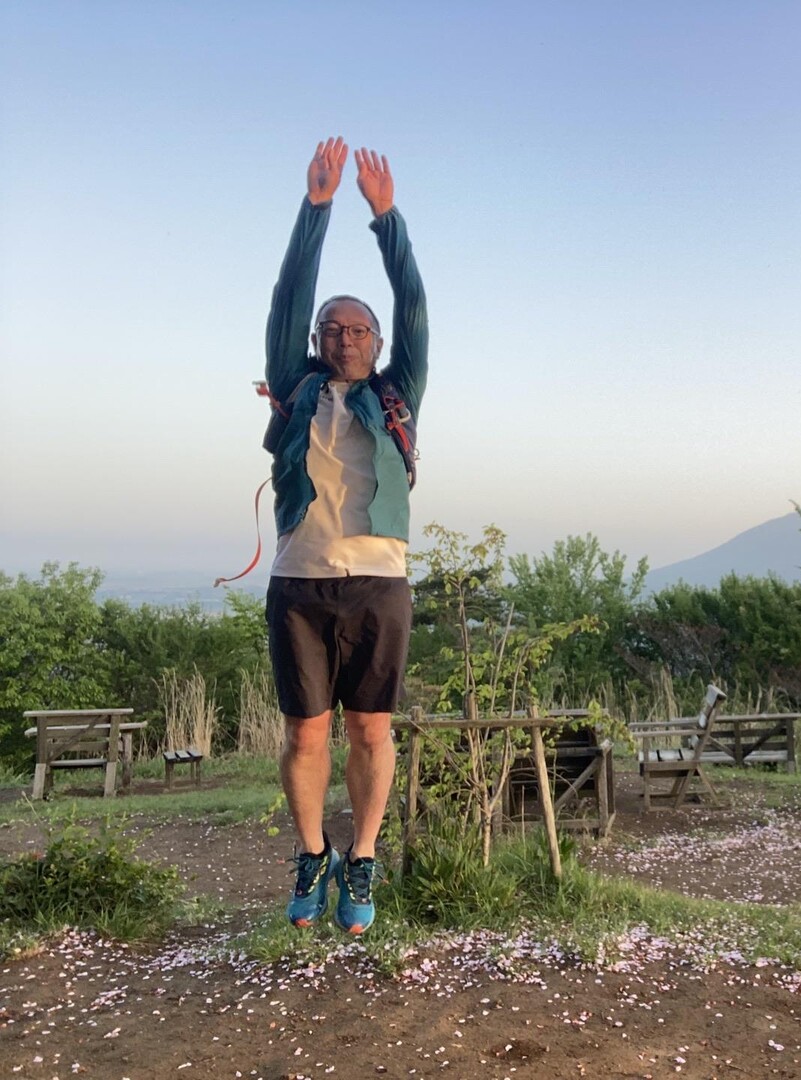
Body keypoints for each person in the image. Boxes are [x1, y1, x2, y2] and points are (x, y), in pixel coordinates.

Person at [263, 136, 427, 934]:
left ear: (378, 343)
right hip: (298, 579)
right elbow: (288, 297)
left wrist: (387, 219)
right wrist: (317, 207)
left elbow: (415, 304)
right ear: (317, 339)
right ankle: (311, 852)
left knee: (370, 728)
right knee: (306, 733)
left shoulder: (398, 393)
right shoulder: (294, 385)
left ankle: (361, 856)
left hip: (378, 582)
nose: (344, 336)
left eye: (359, 329)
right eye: (332, 328)